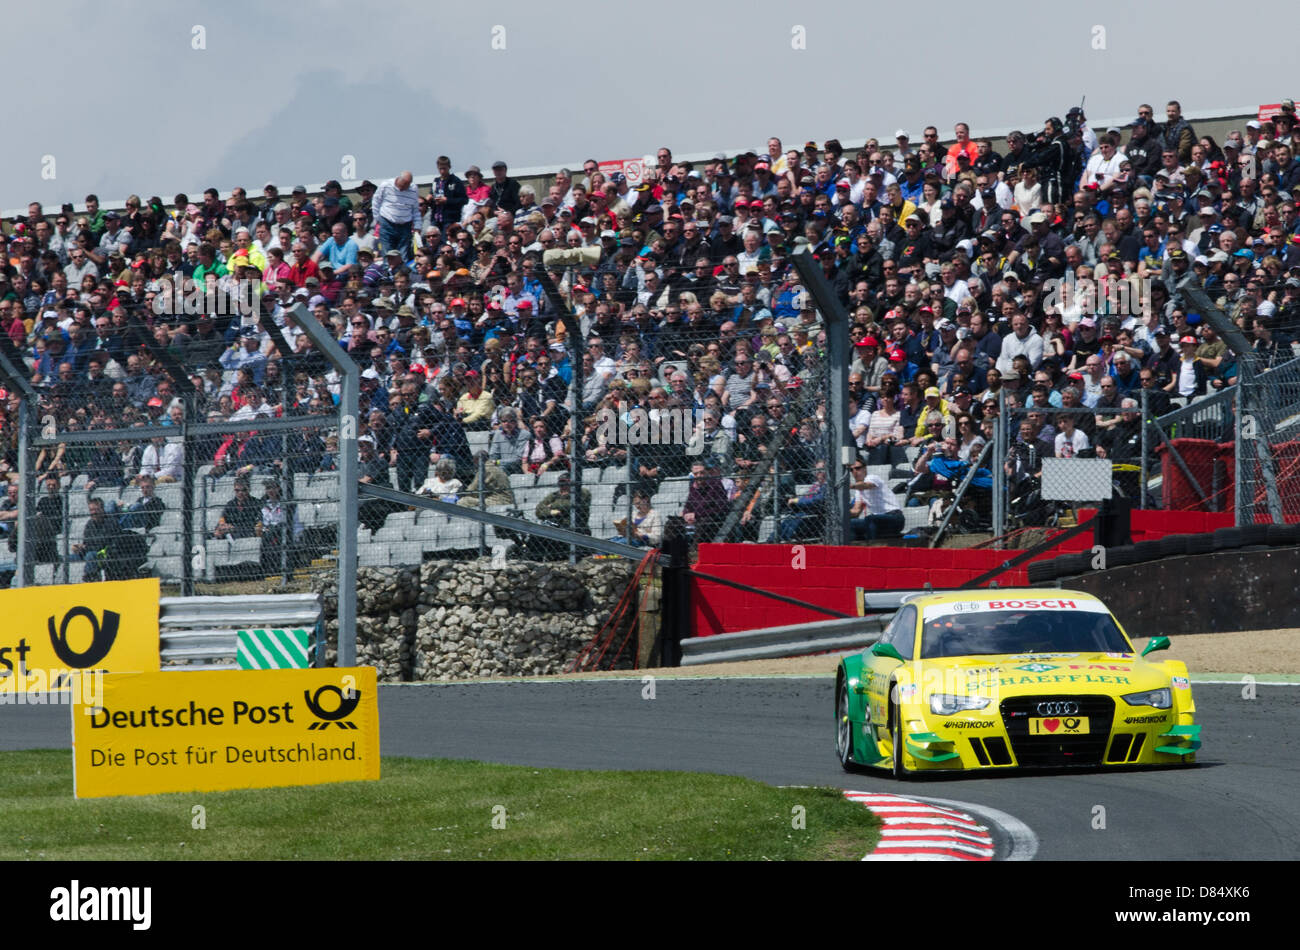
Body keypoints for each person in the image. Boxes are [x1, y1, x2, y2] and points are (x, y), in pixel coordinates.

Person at [848, 460, 904, 540]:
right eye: (851, 470)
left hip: (894, 518)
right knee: (850, 523)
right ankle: (854, 549)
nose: (855, 471)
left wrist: (851, 486)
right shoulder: (858, 490)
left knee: (870, 519)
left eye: (858, 468)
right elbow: (856, 511)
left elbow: (867, 485)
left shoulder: (872, 477)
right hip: (878, 520)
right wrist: (842, 513)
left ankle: (872, 546)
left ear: (865, 469)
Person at [257, 477, 302, 573]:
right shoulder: (262, 504)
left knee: (279, 527)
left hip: (284, 532)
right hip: (269, 534)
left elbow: (295, 522)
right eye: (268, 488)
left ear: (278, 488)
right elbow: (264, 522)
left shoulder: (287, 503)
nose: (271, 491)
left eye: (273, 487)